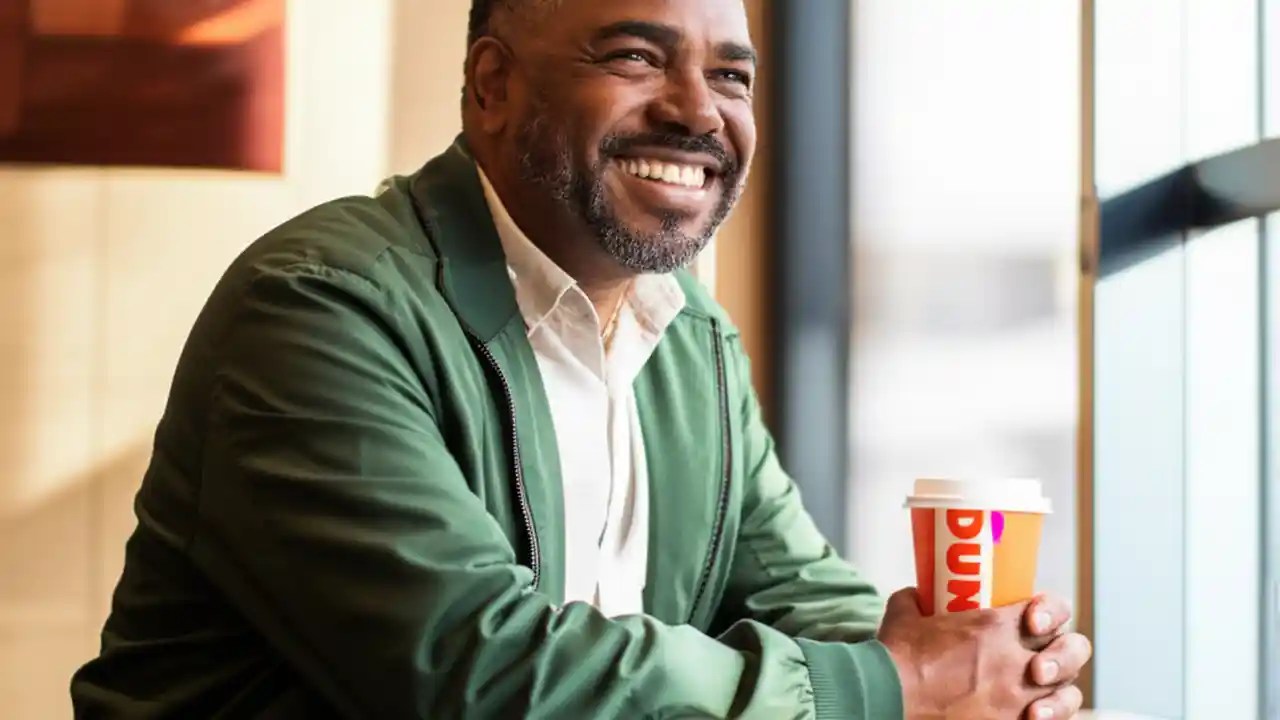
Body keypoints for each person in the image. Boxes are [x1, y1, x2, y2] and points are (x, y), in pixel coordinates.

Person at [72, 0, 1092, 717]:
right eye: (636, 57)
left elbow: (794, 591)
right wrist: (895, 685)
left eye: (731, 76)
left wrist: (982, 666)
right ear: (492, 85)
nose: (699, 112)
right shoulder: (320, 309)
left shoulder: (686, 335)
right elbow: (483, 675)